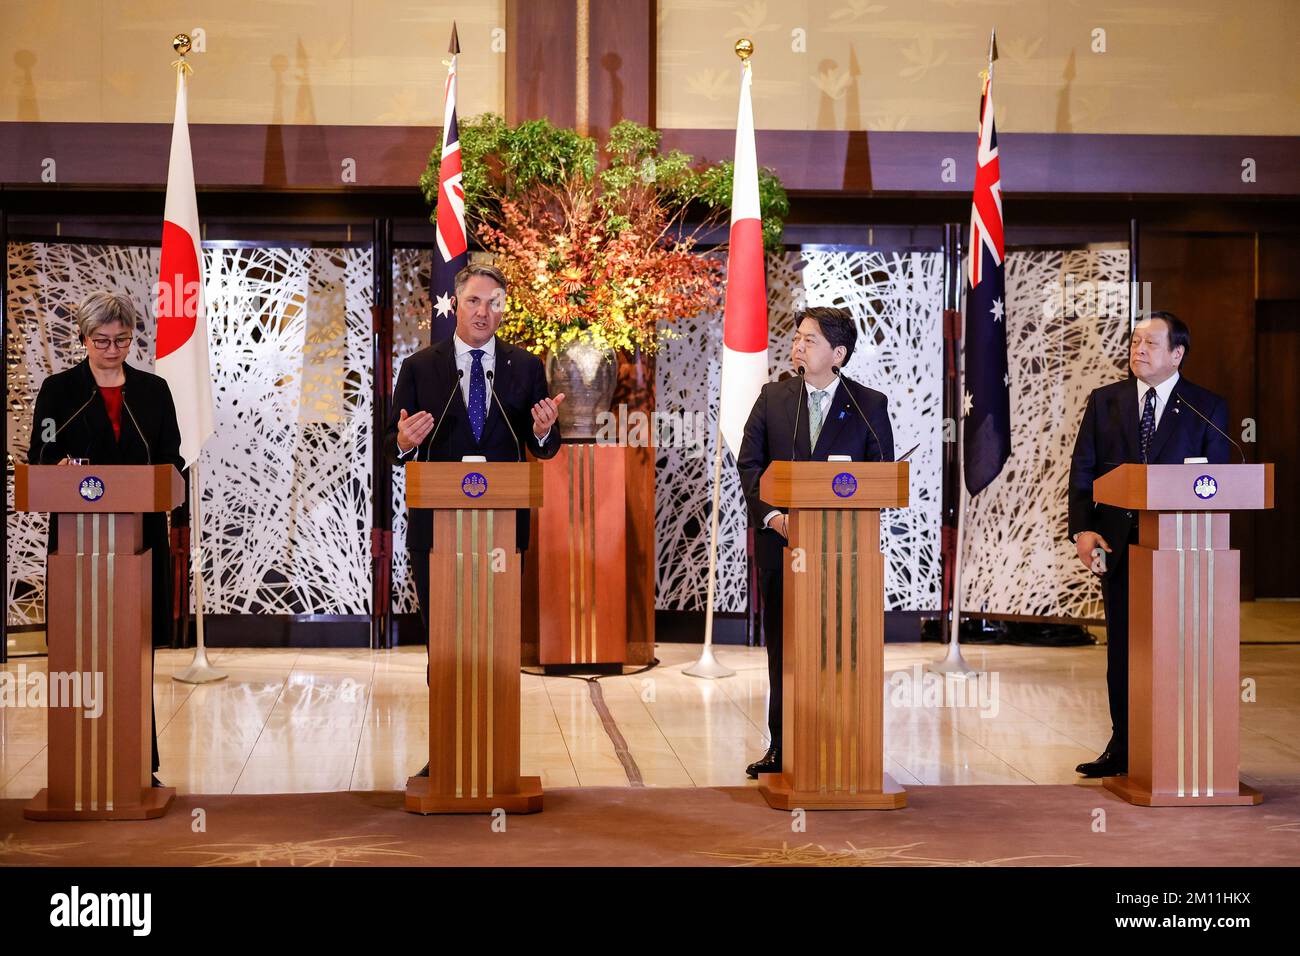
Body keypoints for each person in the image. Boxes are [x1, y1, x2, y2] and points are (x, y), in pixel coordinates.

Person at [383, 262, 564, 777]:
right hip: (437, 533)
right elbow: (389, 447)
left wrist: (548, 431)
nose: (485, 312)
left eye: (495, 303)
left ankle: (497, 753)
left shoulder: (526, 367)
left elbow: (541, 447)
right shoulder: (420, 368)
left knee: (496, 642)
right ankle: (445, 752)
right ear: (456, 305)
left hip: (501, 532)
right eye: (475, 302)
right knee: (445, 644)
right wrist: (404, 442)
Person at [27, 290, 185, 787]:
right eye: (101, 340)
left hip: (138, 541)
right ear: (83, 337)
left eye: (121, 340)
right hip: (79, 544)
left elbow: (172, 460)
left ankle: (138, 764)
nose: (112, 350)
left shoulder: (153, 392)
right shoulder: (58, 392)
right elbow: (42, 454)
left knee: (133, 652)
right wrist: (58, 467)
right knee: (81, 651)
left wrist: (162, 477)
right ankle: (76, 765)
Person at [1068, 311, 1231, 778]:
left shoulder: (1206, 406)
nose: (1138, 350)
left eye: (1151, 344)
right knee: (1123, 649)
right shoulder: (1106, 401)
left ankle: (1181, 744)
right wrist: (1082, 531)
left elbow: (1217, 483)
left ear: (1177, 353)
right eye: (1135, 342)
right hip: (1118, 549)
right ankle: (1123, 745)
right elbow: (1084, 470)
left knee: (1180, 649)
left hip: (1185, 552)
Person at [736, 306, 894, 779]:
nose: (798, 346)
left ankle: (843, 740)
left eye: (810, 340)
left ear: (838, 354)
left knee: (839, 649)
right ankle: (782, 744)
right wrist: (773, 516)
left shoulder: (870, 405)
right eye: (798, 338)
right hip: (782, 547)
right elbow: (749, 466)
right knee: (785, 647)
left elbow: (881, 478)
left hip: (843, 552)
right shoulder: (773, 398)